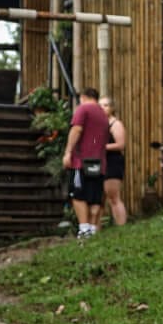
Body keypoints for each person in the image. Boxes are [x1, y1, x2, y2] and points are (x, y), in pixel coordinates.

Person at [62, 86, 110, 237]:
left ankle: (84, 229)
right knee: (94, 197)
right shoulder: (103, 114)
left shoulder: (83, 109)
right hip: (99, 162)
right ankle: (92, 229)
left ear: (83, 97)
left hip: (81, 161)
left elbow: (76, 129)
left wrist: (68, 152)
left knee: (78, 195)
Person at [99, 94, 129, 227]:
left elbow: (121, 145)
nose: (102, 108)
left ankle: (121, 227)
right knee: (98, 199)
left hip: (112, 162)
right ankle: (94, 231)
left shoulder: (116, 124)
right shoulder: (98, 124)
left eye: (105, 105)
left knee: (113, 197)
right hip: (99, 163)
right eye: (100, 105)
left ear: (111, 108)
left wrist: (102, 147)